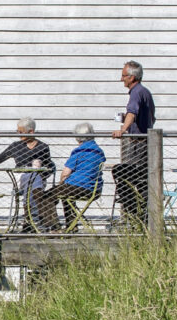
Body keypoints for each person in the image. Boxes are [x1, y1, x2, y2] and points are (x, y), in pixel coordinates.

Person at [34, 123, 105, 230]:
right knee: (66, 196)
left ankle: (54, 228)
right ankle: (72, 226)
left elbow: (66, 173)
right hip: (94, 189)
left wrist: (60, 183)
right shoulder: (98, 151)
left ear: (78, 137)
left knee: (45, 196)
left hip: (77, 186)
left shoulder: (79, 151)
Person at [111, 60, 155, 223]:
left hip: (140, 145)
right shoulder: (145, 92)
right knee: (140, 179)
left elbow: (132, 112)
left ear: (132, 77)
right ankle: (143, 215)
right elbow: (150, 117)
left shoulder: (136, 92)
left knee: (122, 172)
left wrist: (123, 130)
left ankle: (135, 213)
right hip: (145, 144)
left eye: (123, 75)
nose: (121, 79)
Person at [0, 118, 54, 228]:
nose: (19, 135)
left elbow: (49, 167)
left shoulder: (43, 147)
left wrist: (41, 175)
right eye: (18, 132)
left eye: (21, 132)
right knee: (31, 177)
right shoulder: (16, 146)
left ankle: (29, 219)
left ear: (31, 132)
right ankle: (33, 219)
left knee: (34, 177)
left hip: (38, 180)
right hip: (20, 178)